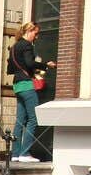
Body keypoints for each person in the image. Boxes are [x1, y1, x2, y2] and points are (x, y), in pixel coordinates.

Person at [8, 22, 55, 163]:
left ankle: (15, 154)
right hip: (27, 85)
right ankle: (25, 153)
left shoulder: (15, 46)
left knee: (20, 121)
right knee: (33, 119)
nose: (36, 37)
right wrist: (45, 65)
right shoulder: (27, 45)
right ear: (29, 31)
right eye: (36, 33)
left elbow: (10, 69)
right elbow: (29, 63)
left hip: (17, 85)